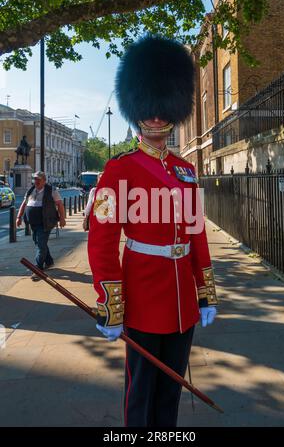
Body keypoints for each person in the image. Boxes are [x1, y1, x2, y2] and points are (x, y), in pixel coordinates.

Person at [88, 34, 218, 427]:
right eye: (150, 107)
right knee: (141, 392)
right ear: (137, 107)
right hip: (143, 294)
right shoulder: (119, 170)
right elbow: (102, 241)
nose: (157, 116)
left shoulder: (185, 170)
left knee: (171, 391)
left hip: (183, 301)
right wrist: (110, 303)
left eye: (164, 107)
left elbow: (196, 233)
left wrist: (205, 290)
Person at [16, 171, 66, 281]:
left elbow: (60, 205)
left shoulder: (51, 190)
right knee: (38, 242)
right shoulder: (31, 190)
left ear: (44, 180)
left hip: (46, 222)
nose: (36, 181)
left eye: (38, 179)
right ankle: (49, 261)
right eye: (35, 179)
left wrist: (62, 218)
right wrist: (19, 217)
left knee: (41, 244)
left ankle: (38, 269)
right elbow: (24, 204)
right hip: (33, 222)